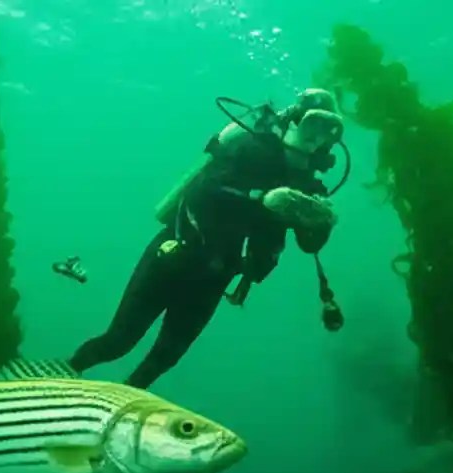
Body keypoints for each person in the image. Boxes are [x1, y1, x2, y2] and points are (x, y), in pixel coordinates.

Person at [67, 88, 350, 389]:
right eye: (313, 123)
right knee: (117, 341)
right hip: (175, 253)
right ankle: (61, 377)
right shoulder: (252, 149)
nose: (317, 135)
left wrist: (322, 224)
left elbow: (309, 246)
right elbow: (205, 190)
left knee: (165, 357)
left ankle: (116, 418)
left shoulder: (308, 186)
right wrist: (261, 198)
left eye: (328, 128)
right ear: (295, 119)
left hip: (217, 275)